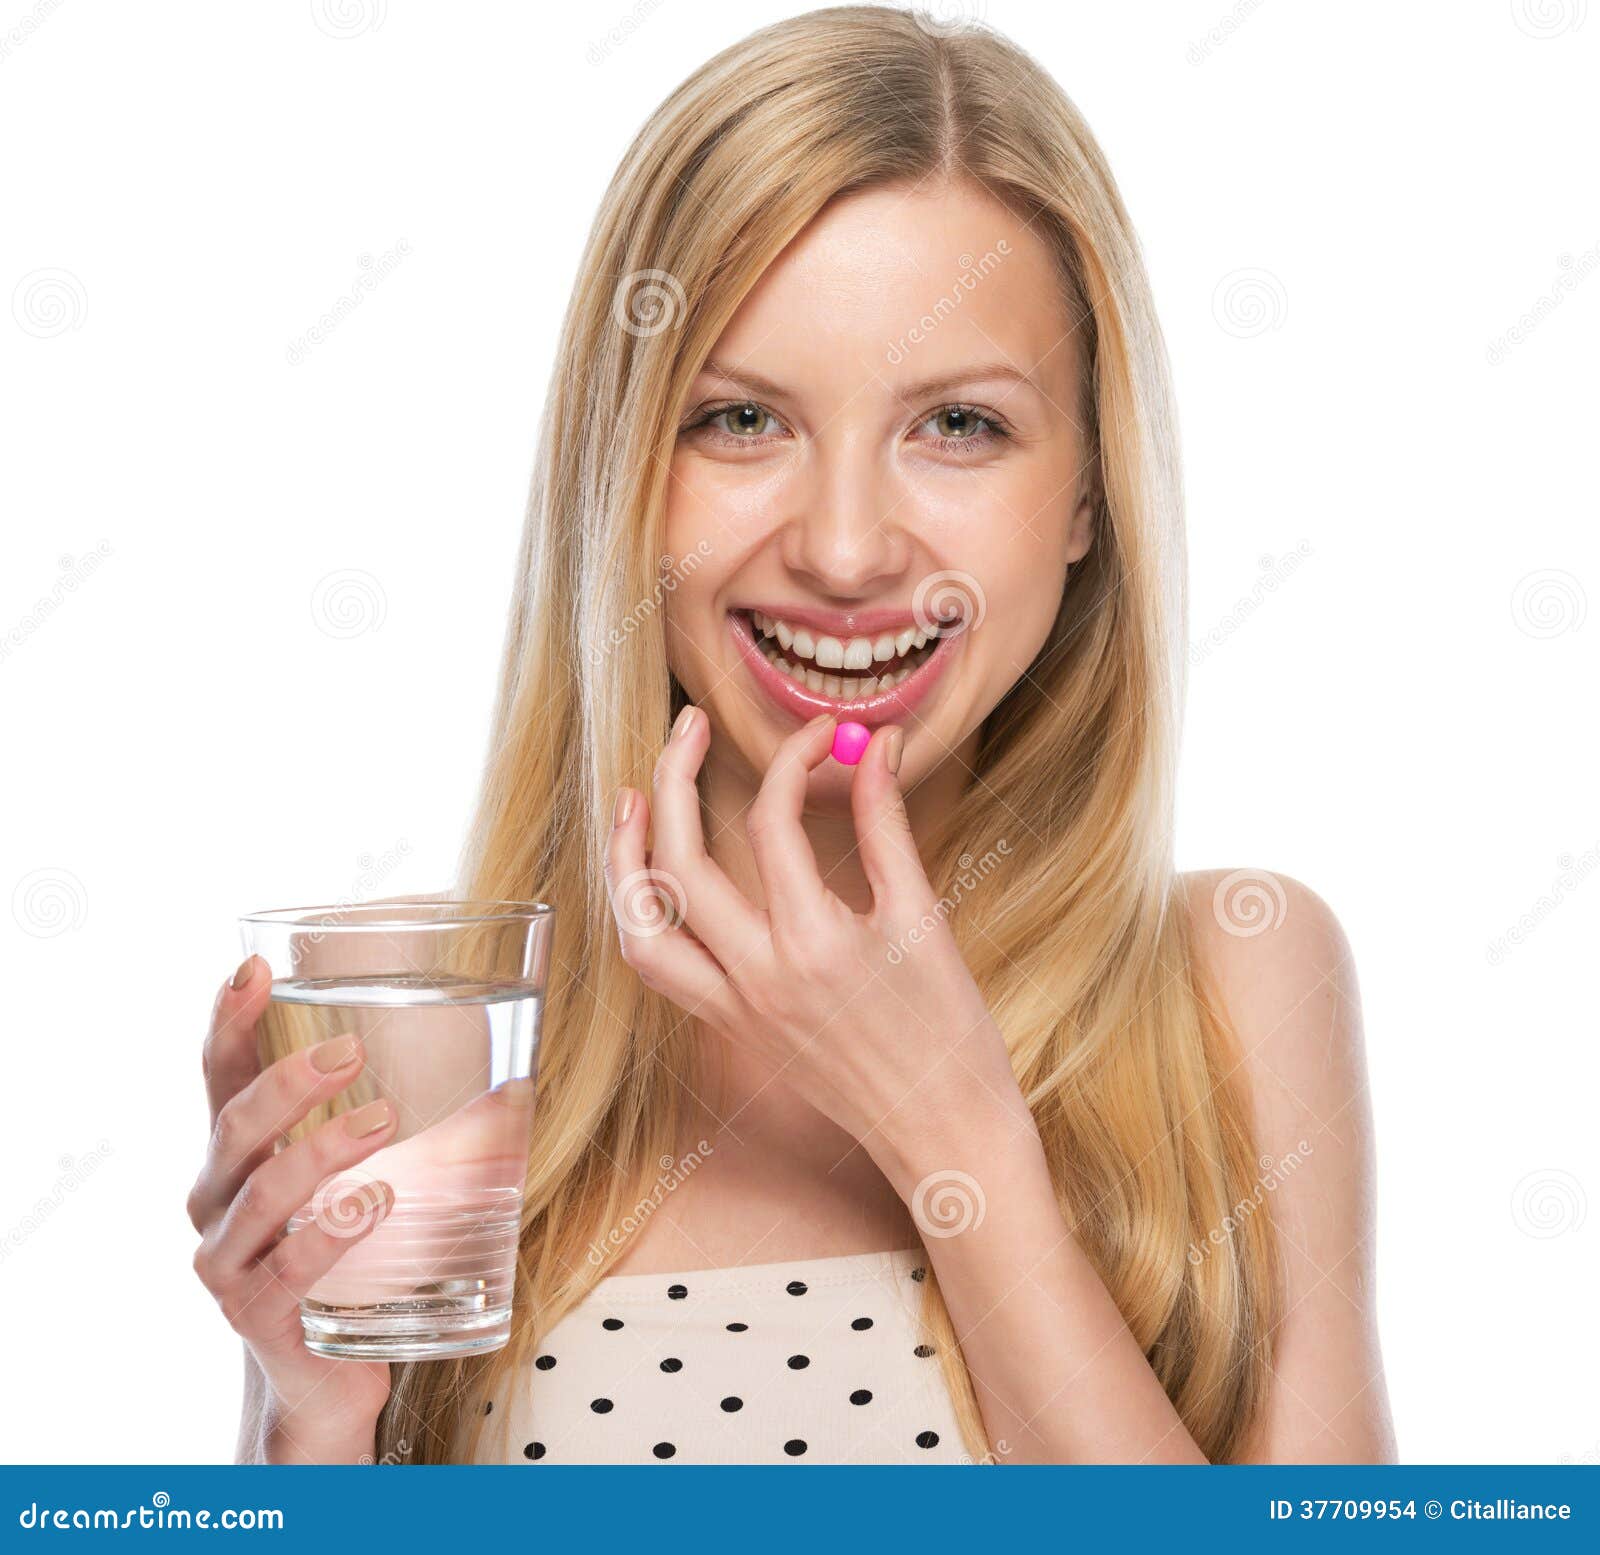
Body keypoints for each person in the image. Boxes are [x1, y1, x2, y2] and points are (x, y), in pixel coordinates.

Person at [189, 5, 1395, 1466]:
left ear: (1089, 496)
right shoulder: (464, 1039)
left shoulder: (1237, 983)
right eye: (741, 421)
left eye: (958, 425)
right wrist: (305, 1421)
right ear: (620, 479)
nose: (841, 550)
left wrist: (954, 1136)